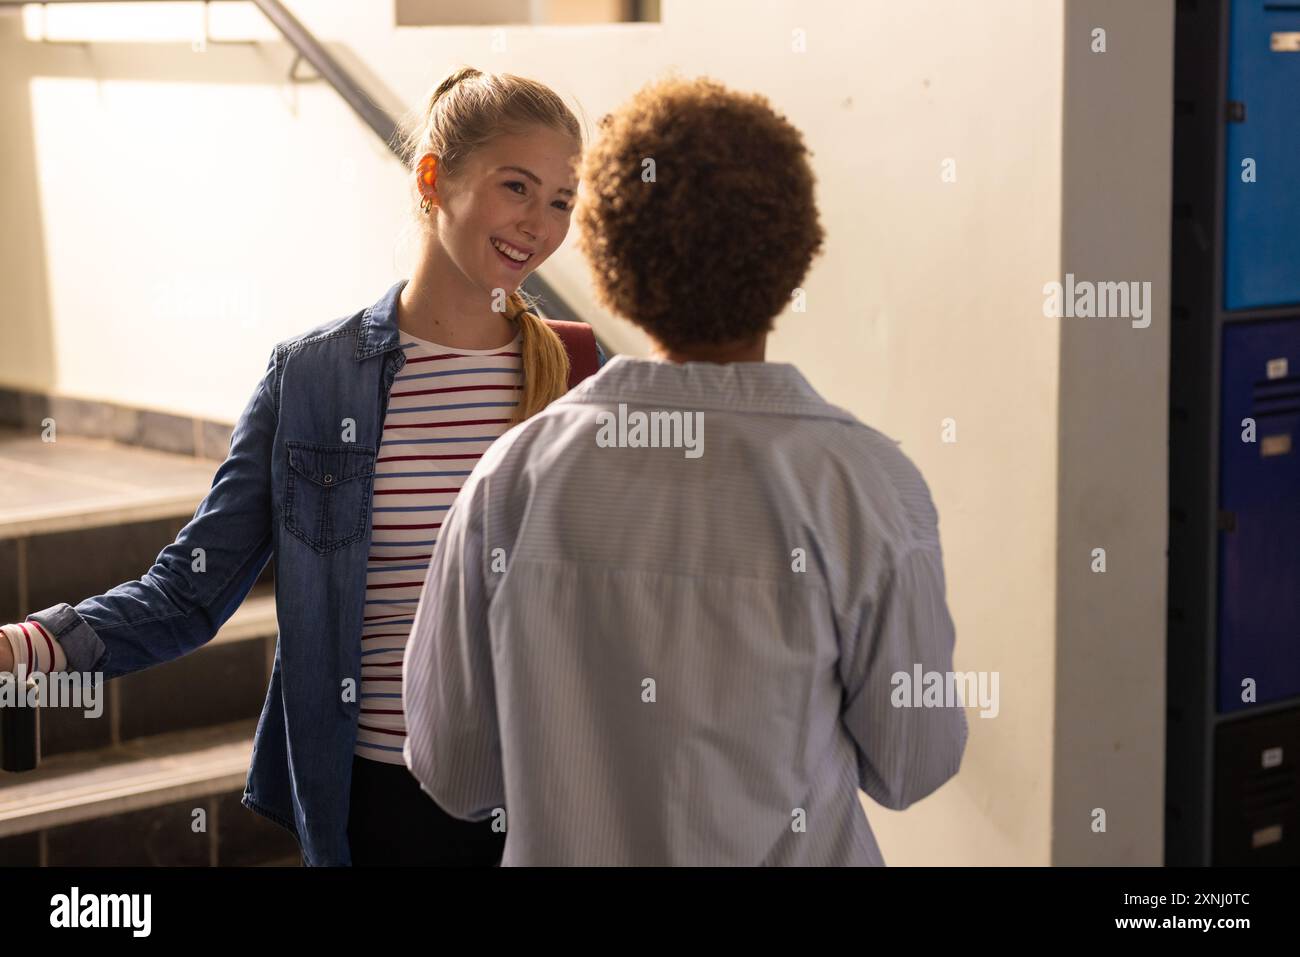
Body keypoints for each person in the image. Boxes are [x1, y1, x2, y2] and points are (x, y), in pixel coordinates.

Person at [0, 67, 603, 866]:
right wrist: (29, 648)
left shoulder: (579, 372)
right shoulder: (315, 379)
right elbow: (193, 587)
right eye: (517, 187)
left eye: (561, 199)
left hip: (543, 805)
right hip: (375, 805)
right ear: (433, 178)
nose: (539, 223)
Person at [402, 74, 967, 865]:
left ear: (608, 255)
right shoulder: (868, 484)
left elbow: (453, 770)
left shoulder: (513, 477)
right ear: (796, 255)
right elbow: (915, 761)